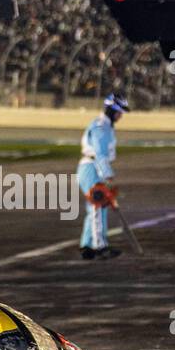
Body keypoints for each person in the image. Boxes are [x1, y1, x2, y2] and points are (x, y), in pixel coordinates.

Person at [78, 92, 129, 260]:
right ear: (111, 110)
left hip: (92, 167)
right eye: (120, 111)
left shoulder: (104, 125)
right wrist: (107, 175)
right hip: (92, 167)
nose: (121, 115)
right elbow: (100, 153)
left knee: (96, 207)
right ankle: (100, 246)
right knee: (98, 206)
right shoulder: (102, 126)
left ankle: (88, 246)